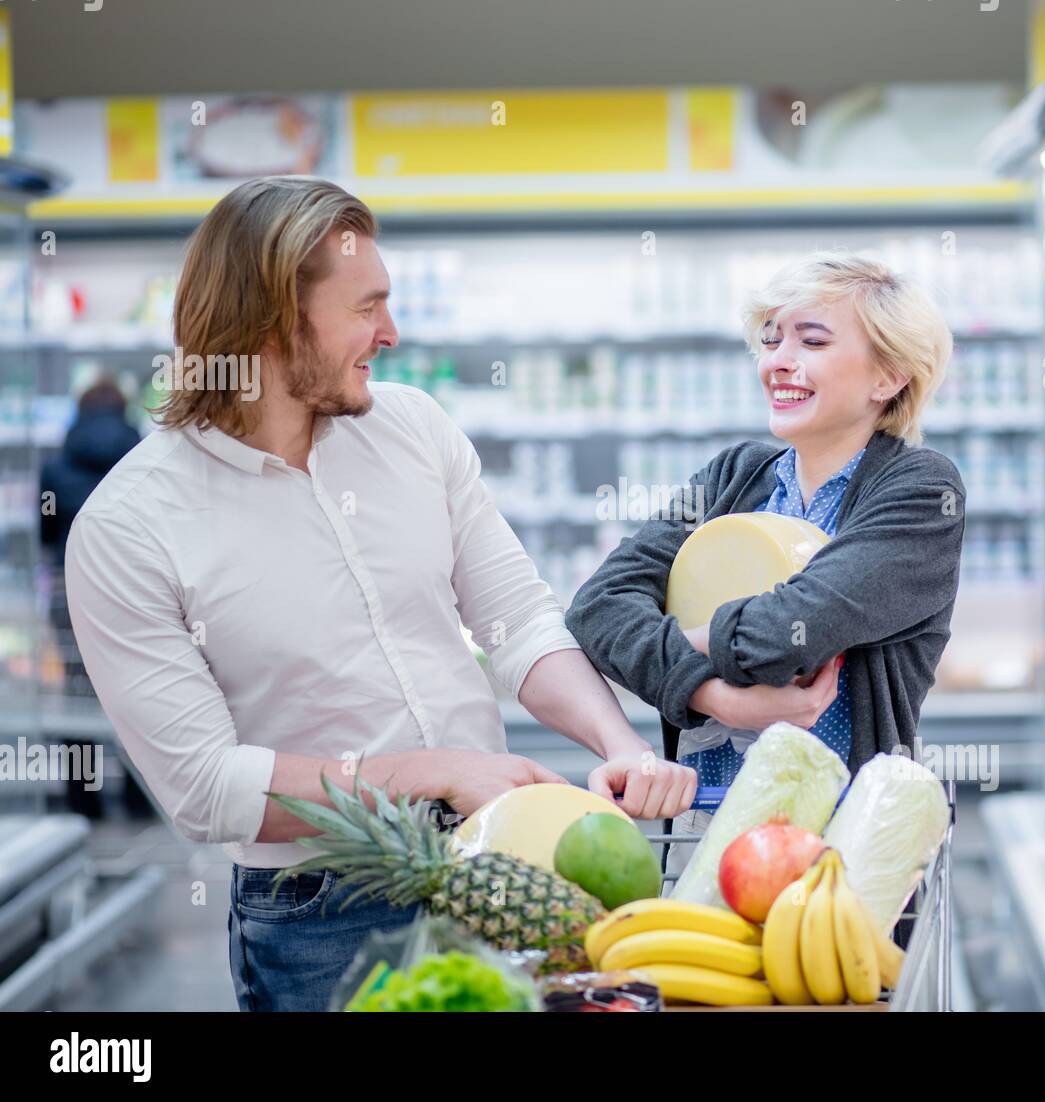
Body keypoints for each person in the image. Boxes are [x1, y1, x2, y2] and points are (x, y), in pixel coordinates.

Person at [64, 177, 697, 1012]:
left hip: (496, 862)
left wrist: (619, 742)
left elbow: (516, 621)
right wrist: (436, 772)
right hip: (321, 917)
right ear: (274, 320)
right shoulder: (128, 528)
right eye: (367, 308)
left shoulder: (414, 430)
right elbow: (210, 789)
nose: (390, 334)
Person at [565, 252, 965, 925]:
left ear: (889, 375)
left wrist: (673, 644)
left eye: (811, 341)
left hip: (841, 865)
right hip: (700, 837)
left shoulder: (921, 490)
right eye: (772, 338)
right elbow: (598, 608)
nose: (778, 359)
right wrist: (708, 692)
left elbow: (788, 630)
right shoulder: (736, 476)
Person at [38, 379, 150, 819]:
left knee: (77, 698)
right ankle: (140, 799)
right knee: (138, 690)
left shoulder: (54, 468)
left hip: (71, 595)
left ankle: (84, 802)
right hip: (131, 592)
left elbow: (48, 536)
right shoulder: (141, 460)